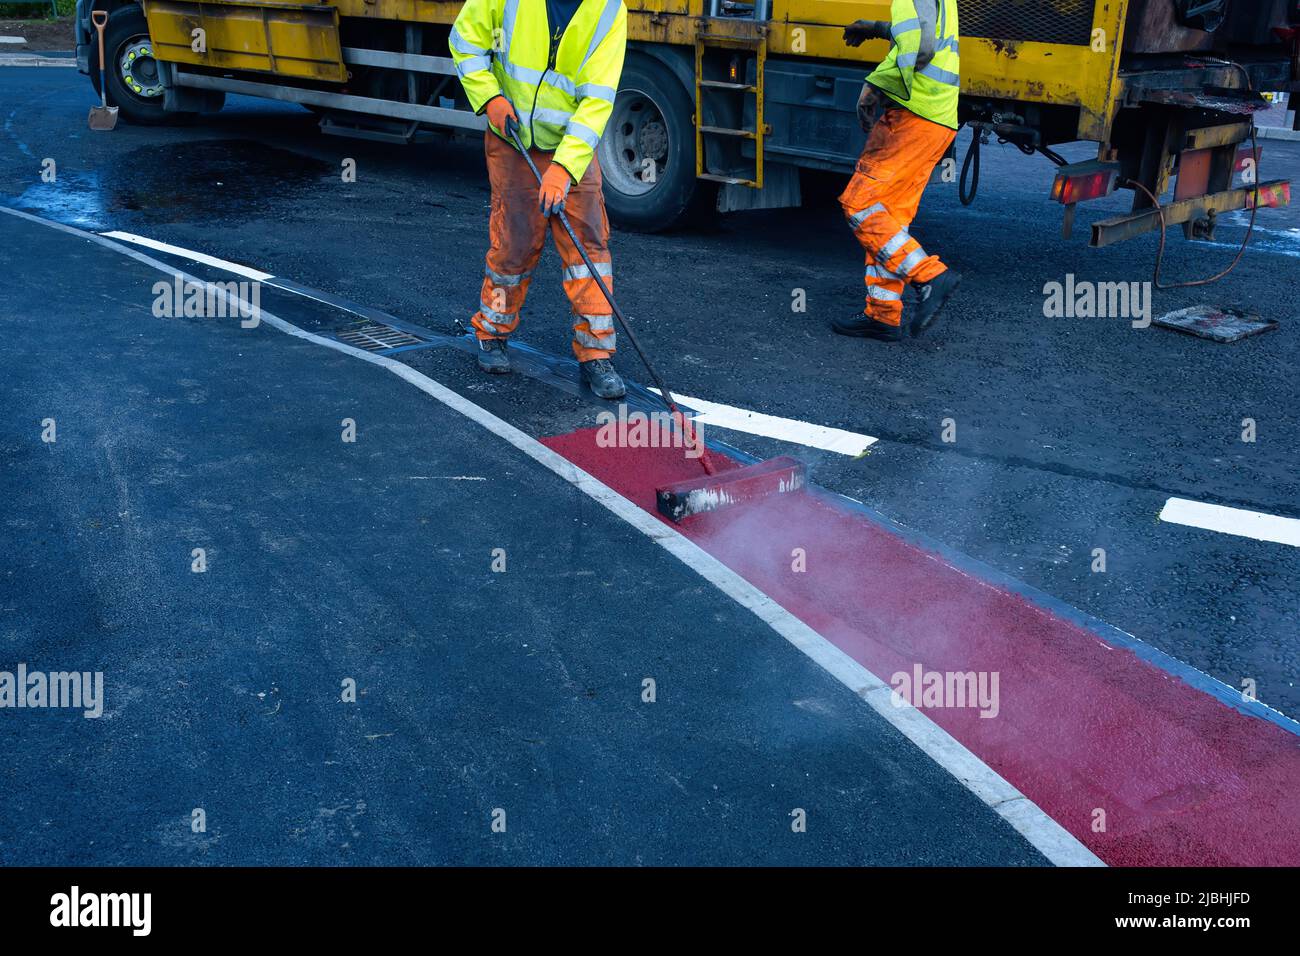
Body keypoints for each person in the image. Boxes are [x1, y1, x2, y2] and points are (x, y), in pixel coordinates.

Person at [449, 0, 628, 398]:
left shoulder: (608, 9)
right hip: (512, 140)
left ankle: (596, 354)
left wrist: (564, 169)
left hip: (570, 145)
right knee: (514, 244)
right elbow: (465, 41)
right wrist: (490, 97)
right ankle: (492, 332)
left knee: (588, 250)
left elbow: (597, 99)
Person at [834, 1, 961, 342]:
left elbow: (922, 46)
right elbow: (923, 30)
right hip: (937, 118)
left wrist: (874, 87)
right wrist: (878, 27)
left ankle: (929, 275)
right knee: (887, 216)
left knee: (859, 205)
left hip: (912, 116)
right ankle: (883, 314)